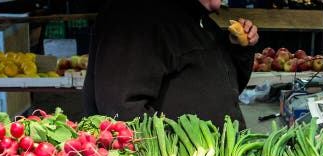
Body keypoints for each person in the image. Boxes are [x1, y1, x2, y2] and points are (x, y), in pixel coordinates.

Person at [82, 0, 259, 126]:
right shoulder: (135, 14)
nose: (220, 4)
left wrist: (239, 50)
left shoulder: (204, 24)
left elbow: (229, 90)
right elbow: (120, 109)